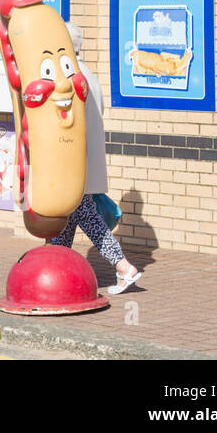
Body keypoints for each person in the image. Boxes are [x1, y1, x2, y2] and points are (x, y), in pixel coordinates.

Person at [51, 21, 142, 295]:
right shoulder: (88, 74)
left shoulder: (69, 79)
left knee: (87, 217)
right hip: (86, 162)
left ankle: (123, 267)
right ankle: (55, 266)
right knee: (70, 218)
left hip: (73, 163)